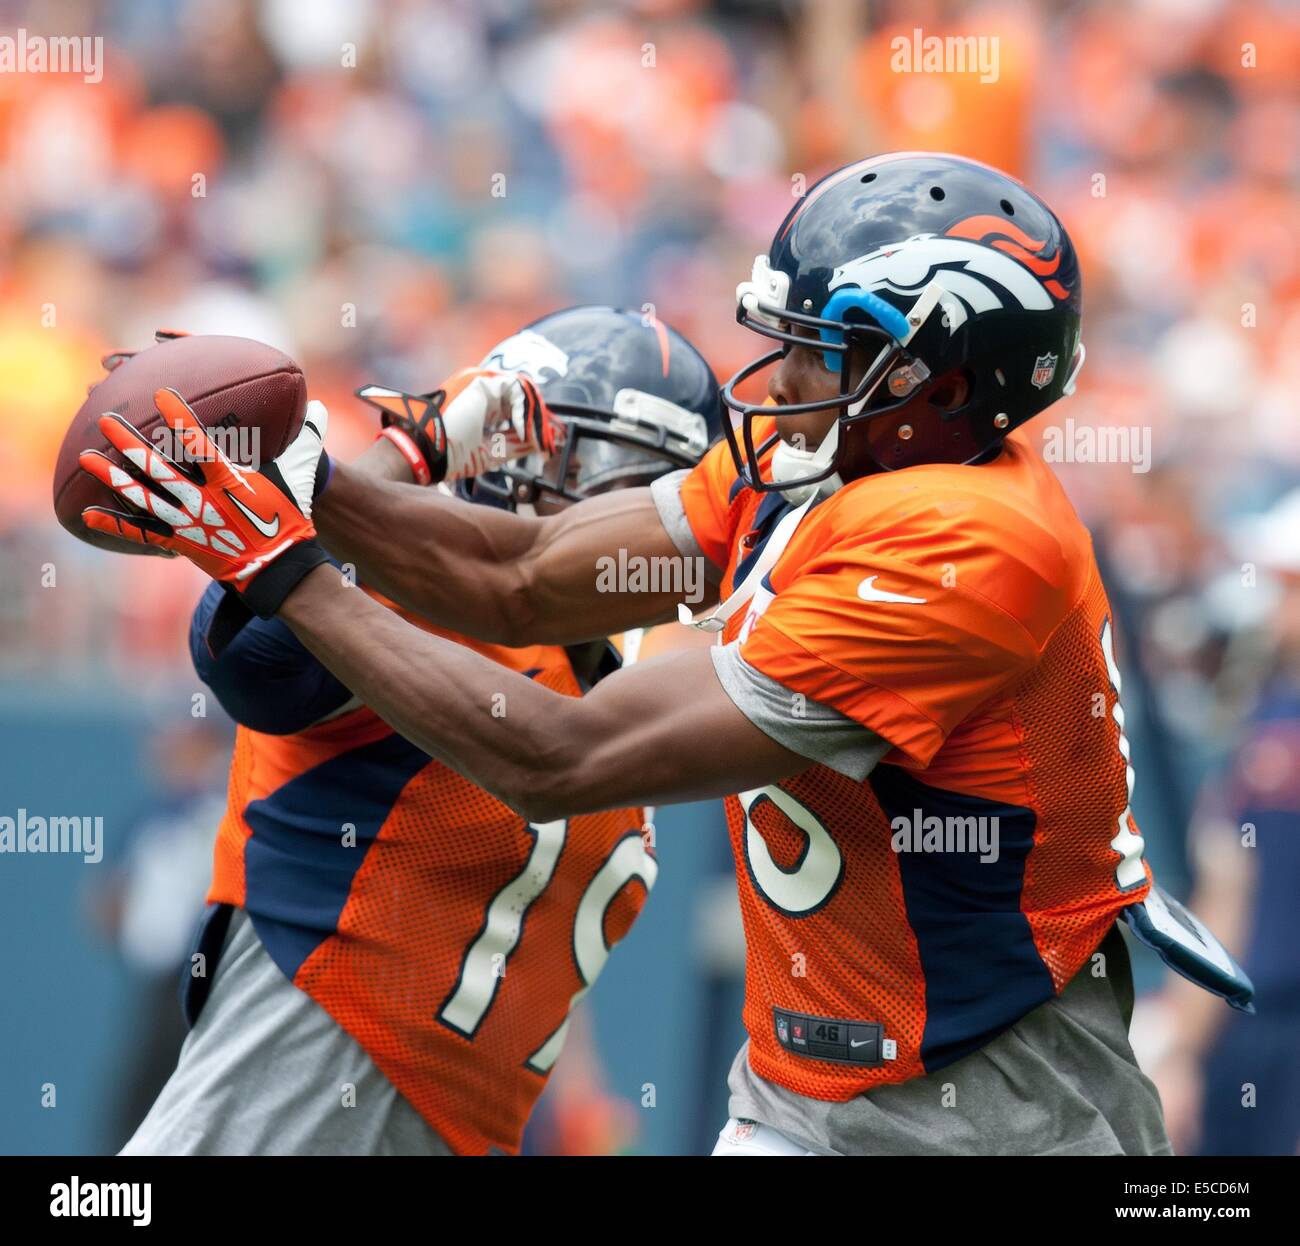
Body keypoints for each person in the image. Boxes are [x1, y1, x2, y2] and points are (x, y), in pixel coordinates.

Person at [83, 153, 1246, 1156]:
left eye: (829, 350)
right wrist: (315, 487)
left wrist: (282, 565)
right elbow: (520, 573)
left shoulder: (966, 545)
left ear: (936, 389)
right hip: (801, 1085)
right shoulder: (821, 469)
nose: (782, 377)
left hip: (986, 1096)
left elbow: (560, 756)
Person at [115, 305, 720, 1155]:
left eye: (657, 489)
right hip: (287, 1091)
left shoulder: (626, 689)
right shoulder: (437, 625)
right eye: (606, 470)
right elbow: (255, 644)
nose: (641, 519)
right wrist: (402, 457)